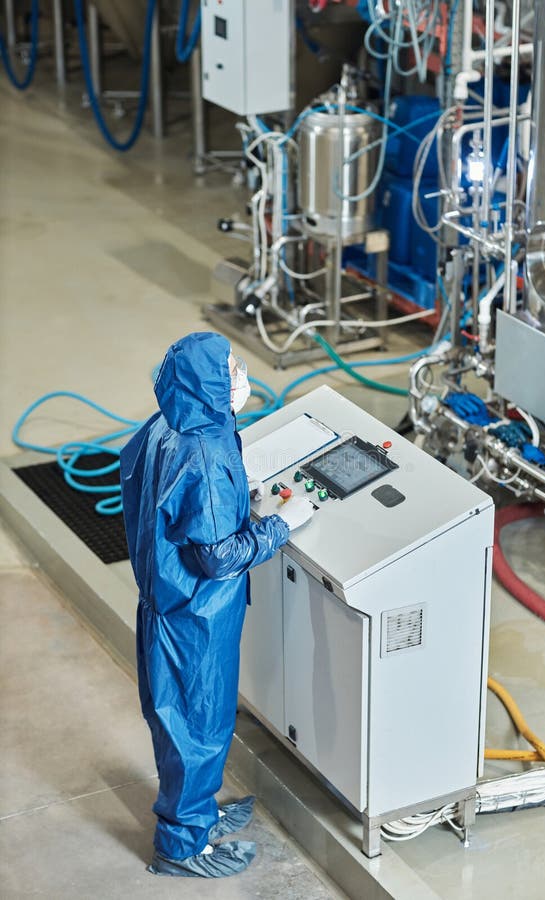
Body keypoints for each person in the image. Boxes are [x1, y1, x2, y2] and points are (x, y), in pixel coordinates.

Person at [120, 332, 314, 878]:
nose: (240, 376)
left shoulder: (175, 422)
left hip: (173, 603)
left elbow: (147, 492)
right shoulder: (202, 451)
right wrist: (281, 523)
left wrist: (233, 498)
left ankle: (197, 814)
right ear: (206, 383)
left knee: (190, 721)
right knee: (196, 727)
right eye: (230, 369)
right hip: (194, 616)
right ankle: (182, 846)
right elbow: (219, 559)